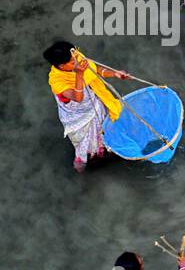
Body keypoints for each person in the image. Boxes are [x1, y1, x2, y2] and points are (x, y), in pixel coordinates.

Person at [43, 41, 130, 172]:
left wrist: (115, 74)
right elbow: (78, 98)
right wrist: (79, 74)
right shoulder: (57, 81)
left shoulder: (75, 57)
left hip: (94, 105)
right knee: (84, 144)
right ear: (61, 66)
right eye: (72, 62)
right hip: (80, 117)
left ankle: (103, 150)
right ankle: (81, 168)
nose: (76, 61)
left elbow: (95, 70)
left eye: (75, 58)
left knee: (102, 131)